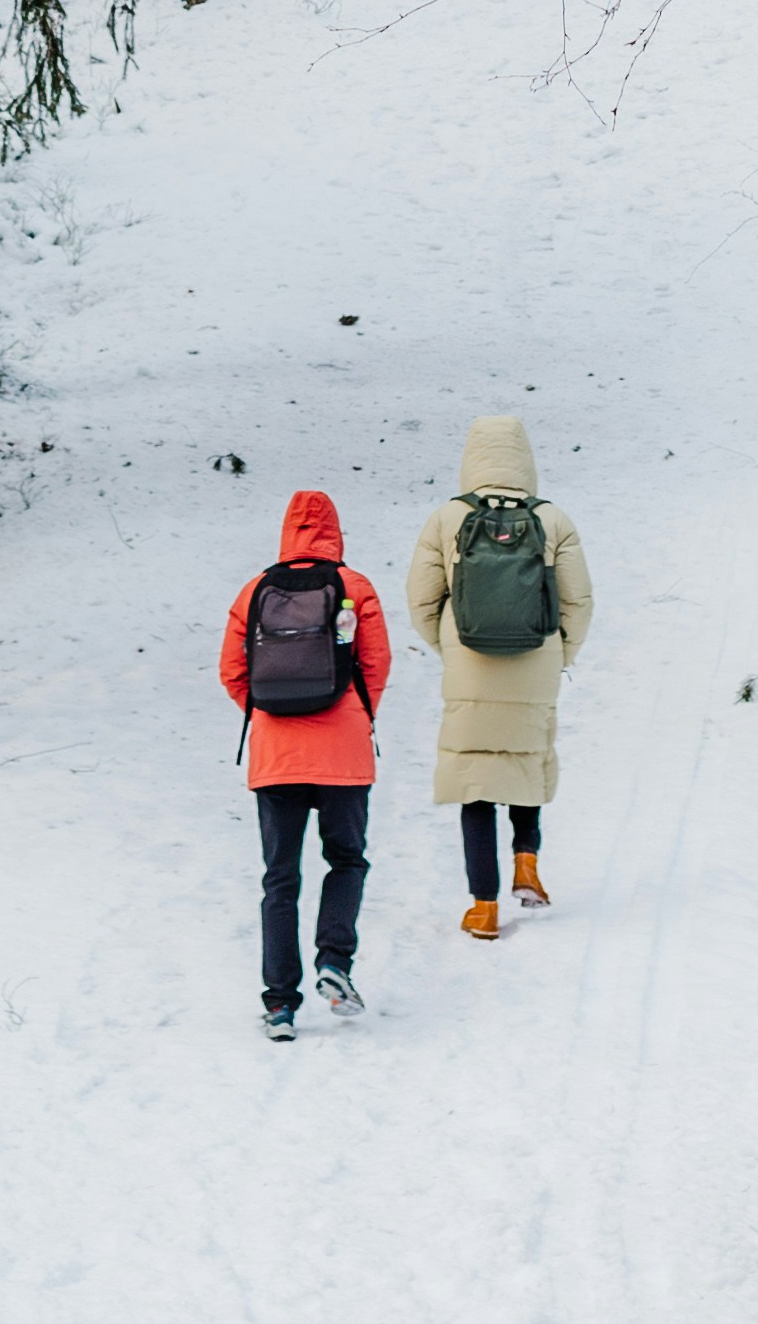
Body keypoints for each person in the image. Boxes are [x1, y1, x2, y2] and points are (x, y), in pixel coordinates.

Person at [404, 407, 592, 935]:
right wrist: (560, 655)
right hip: (536, 662)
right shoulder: (553, 519)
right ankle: (527, 862)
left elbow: (422, 600)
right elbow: (578, 601)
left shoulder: (447, 518)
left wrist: (451, 647)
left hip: (469, 665)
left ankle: (483, 908)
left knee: (476, 780)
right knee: (526, 762)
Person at [219, 482, 391, 1037]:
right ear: (335, 532)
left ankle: (279, 1005)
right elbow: (376, 664)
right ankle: (334, 963)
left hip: (276, 755)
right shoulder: (353, 586)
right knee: (346, 860)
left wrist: (268, 712)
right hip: (342, 751)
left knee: (280, 879)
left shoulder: (255, 591)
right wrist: (356, 715)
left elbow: (232, 672)